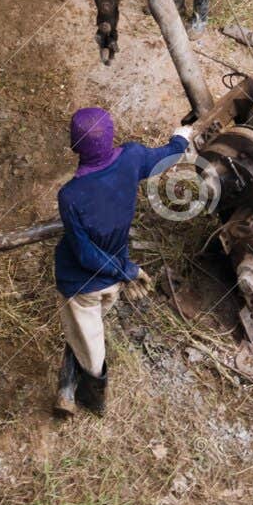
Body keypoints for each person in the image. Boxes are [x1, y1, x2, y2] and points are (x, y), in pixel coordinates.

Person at [54, 107, 190, 418]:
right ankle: (66, 388)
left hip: (83, 285)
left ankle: (93, 397)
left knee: (90, 346)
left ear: (74, 146)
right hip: (114, 277)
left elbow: (85, 255)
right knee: (83, 333)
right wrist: (181, 140)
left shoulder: (71, 196)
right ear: (112, 135)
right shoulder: (132, 157)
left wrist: (128, 272)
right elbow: (164, 156)